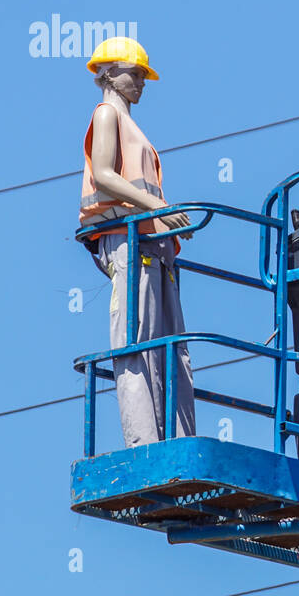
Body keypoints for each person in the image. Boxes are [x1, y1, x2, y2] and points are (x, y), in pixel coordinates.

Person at [77, 36, 196, 447]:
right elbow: (106, 175)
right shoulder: (107, 113)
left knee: (172, 350)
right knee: (136, 343)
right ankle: (144, 444)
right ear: (108, 73)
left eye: (145, 75)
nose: (142, 81)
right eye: (135, 73)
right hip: (128, 243)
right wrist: (159, 208)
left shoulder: (134, 127)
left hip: (153, 248)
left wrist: (165, 226)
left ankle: (178, 442)